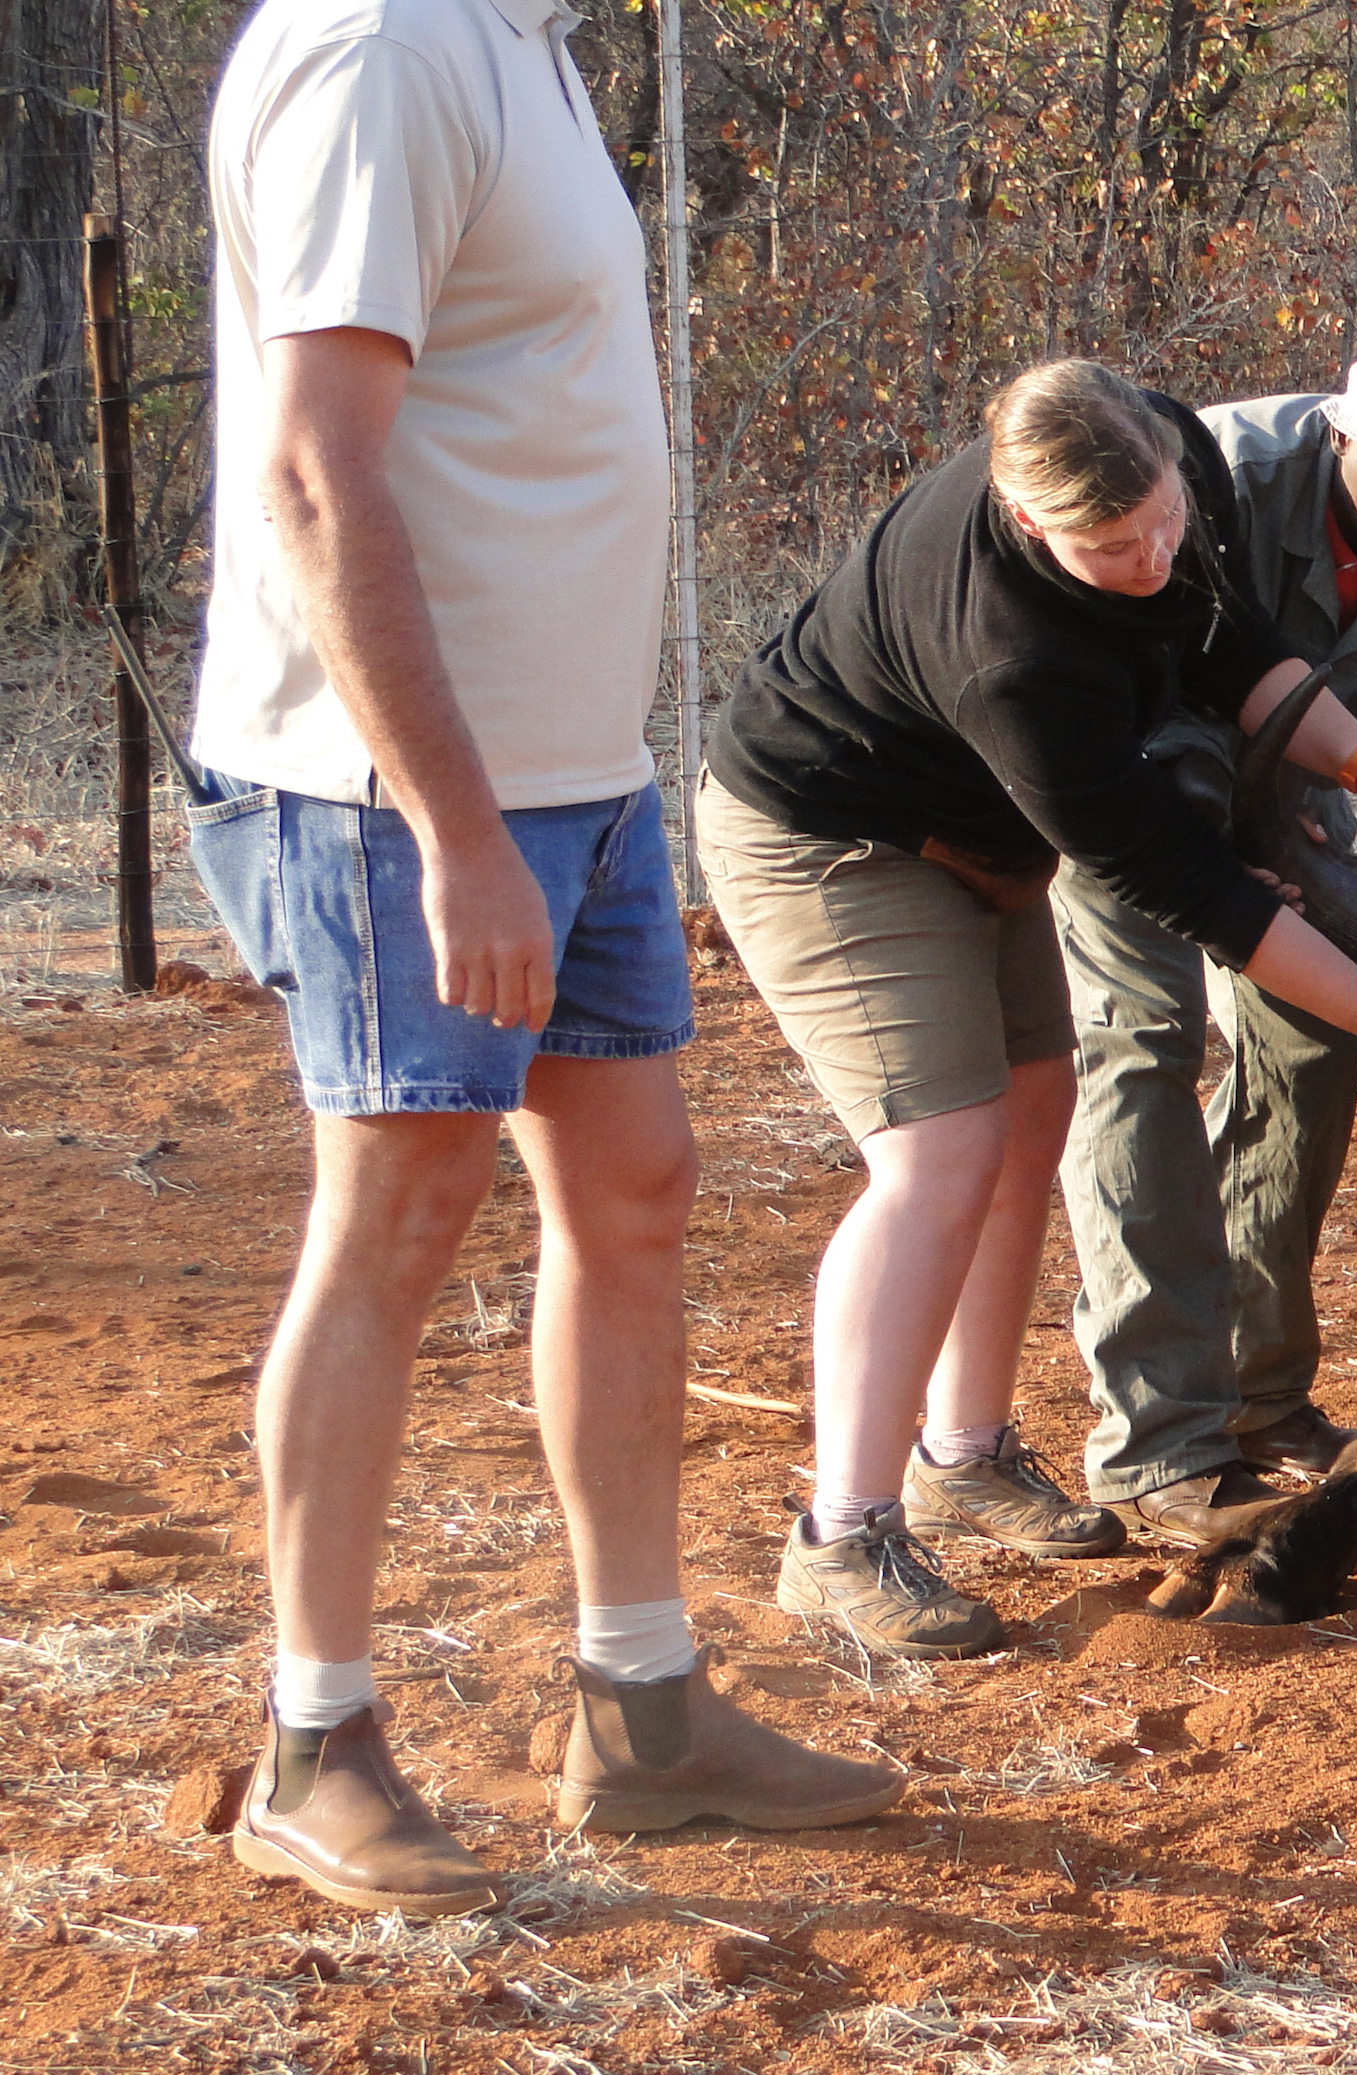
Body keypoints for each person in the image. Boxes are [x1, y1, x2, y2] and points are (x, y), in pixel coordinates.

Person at [190, 0, 904, 1915]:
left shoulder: (521, 41)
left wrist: (572, 795)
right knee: (401, 1213)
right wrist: (456, 829)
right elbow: (319, 473)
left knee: (640, 1192)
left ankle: (644, 1714)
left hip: (574, 779)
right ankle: (312, 1743)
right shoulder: (386, 50)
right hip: (397, 791)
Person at [699, 357, 1357, 1653]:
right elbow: (1194, 891)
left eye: (1164, 523)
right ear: (1029, 524)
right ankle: (842, 1534)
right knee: (935, 1153)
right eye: (1108, 547)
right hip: (834, 833)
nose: (1148, 557)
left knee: (1030, 1110)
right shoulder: (1015, 659)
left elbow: (1221, 629)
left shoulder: (1167, 455)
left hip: (977, 825)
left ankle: (963, 1458)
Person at [1053, 318, 1357, 1530]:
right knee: (1142, 1047)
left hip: (1311, 808)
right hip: (1117, 782)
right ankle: (1163, 1441)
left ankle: (1261, 1396)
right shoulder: (1203, 481)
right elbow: (1089, 690)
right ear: (1341, 434)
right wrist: (1216, 850)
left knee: (1310, 1052)